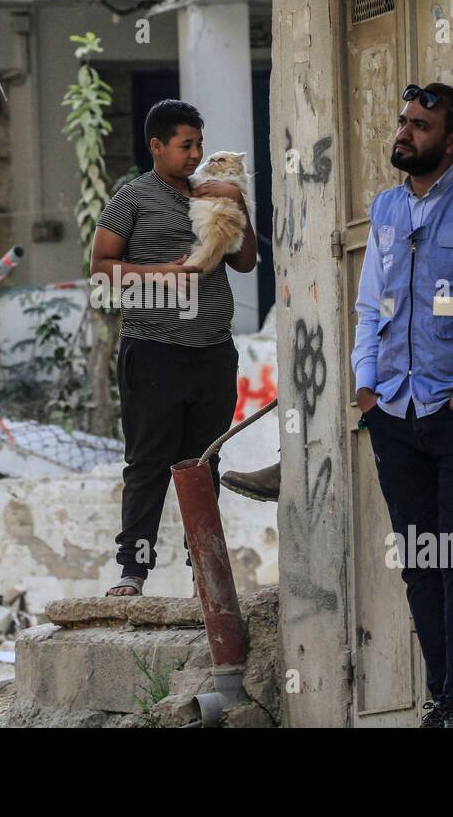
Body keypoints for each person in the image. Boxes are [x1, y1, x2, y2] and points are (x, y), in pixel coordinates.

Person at [352, 82, 453, 727]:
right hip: (395, 412)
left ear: (452, 142)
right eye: (403, 121)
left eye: (420, 127)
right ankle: (437, 701)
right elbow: (372, 305)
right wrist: (367, 385)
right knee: (421, 561)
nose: (404, 133)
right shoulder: (388, 208)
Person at [91, 99, 257, 597]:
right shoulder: (133, 198)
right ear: (157, 146)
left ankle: (203, 573)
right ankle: (133, 571)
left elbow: (246, 261)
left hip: (212, 352)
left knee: (203, 463)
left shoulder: (212, 193)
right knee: (148, 462)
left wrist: (238, 201)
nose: (195, 154)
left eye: (200, 144)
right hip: (153, 351)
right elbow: (101, 268)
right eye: (186, 145)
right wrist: (169, 271)